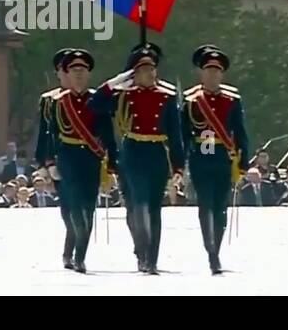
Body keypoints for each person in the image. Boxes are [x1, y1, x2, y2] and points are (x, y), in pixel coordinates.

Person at [91, 43, 185, 275]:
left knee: (153, 208)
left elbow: (176, 135)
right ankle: (141, 250)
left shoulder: (167, 96)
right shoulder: (123, 95)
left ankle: (151, 258)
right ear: (134, 73)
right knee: (138, 204)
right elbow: (94, 105)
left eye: (152, 69)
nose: (150, 74)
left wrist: (178, 166)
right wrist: (116, 81)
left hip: (156, 153)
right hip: (132, 152)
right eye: (143, 70)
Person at [181, 44, 248, 274]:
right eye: (208, 70)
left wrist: (244, 159)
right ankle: (210, 250)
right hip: (201, 155)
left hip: (223, 156)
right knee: (205, 204)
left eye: (216, 71)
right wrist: (180, 161)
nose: (213, 74)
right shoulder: (191, 100)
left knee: (220, 207)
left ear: (222, 73)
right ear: (201, 73)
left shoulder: (231, 100)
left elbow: (240, 132)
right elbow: (183, 133)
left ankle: (216, 249)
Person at [46, 49, 115, 273]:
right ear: (66, 72)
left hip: (92, 160)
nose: (78, 74)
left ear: (89, 74)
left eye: (83, 70)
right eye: (74, 70)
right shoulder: (59, 102)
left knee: (88, 208)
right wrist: (49, 164)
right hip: (68, 159)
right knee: (74, 209)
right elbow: (51, 134)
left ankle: (80, 255)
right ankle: (74, 255)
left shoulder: (98, 101)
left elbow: (108, 135)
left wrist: (112, 164)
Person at [36, 47, 78, 269]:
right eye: (66, 69)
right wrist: (45, 164)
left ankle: (77, 252)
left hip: (85, 162)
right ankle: (69, 253)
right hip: (59, 163)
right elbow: (44, 134)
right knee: (69, 211)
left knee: (84, 212)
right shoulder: (50, 100)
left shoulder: (87, 97)